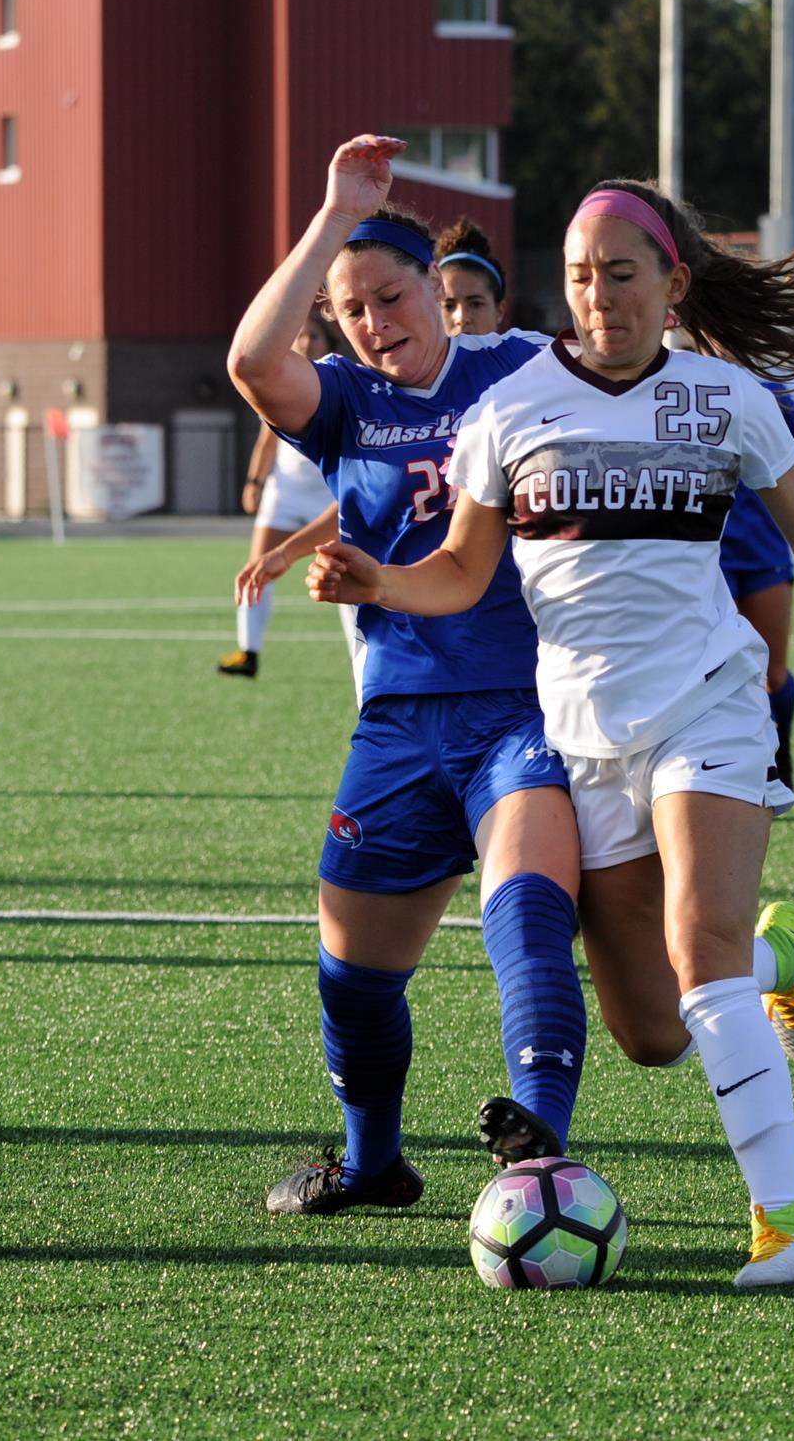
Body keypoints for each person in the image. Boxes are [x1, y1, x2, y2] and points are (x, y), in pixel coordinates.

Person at [310, 175, 794, 1289]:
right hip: (582, 737)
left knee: (697, 947)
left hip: (707, 704)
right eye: (580, 277)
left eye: (620, 275)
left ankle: (785, 1227)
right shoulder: (513, 408)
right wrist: (376, 577)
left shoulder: (728, 400)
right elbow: (460, 571)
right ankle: (780, 957)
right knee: (653, 1029)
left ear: (672, 283)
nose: (598, 297)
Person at [227, 136, 589, 1219]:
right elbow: (253, 362)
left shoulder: (523, 365)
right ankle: (372, 1161)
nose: (377, 323)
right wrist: (333, 217)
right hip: (395, 719)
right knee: (353, 972)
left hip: (527, 703)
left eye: (392, 297)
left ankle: (544, 1146)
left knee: (524, 906)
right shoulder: (342, 400)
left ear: (440, 289)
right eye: (352, 311)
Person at [223, 312, 359, 684]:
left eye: (314, 336)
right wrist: (255, 481)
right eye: (299, 335)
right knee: (258, 566)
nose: (305, 342)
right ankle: (247, 651)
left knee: (342, 573)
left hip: (327, 495)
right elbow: (268, 439)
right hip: (284, 492)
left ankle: (360, 659)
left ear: (329, 343)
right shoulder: (281, 383)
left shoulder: (342, 381)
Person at [713, 368, 794, 788]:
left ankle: (781, 756)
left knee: (772, 671)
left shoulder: (778, 381)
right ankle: (729, 775)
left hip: (764, 545)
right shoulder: (676, 370)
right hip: (704, 552)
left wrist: (754, 441)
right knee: (710, 673)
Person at [432, 219, 508, 335]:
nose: (462, 318)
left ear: (499, 311)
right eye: (448, 306)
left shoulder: (532, 351)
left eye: (476, 304)